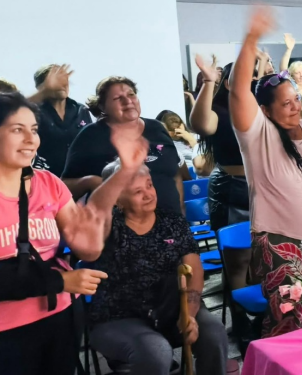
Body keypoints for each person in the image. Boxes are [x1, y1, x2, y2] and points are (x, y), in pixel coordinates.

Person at [0, 91, 144, 375]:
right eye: (18, 130)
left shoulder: (48, 183)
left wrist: (123, 173)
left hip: (59, 316)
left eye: (34, 130)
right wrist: (60, 280)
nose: (32, 140)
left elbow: (88, 248)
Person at [230, 7, 302, 337]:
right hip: (283, 247)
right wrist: (251, 38)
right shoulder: (258, 136)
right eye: (285, 103)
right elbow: (238, 92)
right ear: (265, 111)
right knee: (289, 325)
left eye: (296, 99)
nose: (295, 106)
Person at [87, 161, 227, 375]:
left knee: (214, 335)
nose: (148, 194)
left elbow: (194, 269)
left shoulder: (172, 222)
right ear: (116, 200)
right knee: (156, 352)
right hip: (119, 318)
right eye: (137, 191)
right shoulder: (107, 228)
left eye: (149, 185)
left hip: (172, 308)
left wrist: (188, 313)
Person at [62, 77, 184, 214]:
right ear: (102, 106)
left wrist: (181, 213)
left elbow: (175, 175)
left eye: (131, 94)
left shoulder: (157, 128)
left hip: (171, 224)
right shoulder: (90, 136)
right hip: (119, 228)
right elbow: (65, 186)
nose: (128, 101)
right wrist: (89, 182)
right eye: (117, 98)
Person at [190, 58, 249, 231]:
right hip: (230, 187)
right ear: (228, 85)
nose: (249, 82)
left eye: (251, 78)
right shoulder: (219, 111)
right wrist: (209, 82)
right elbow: (201, 125)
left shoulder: (259, 112)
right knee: (236, 252)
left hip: (259, 186)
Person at [26, 64, 92, 177]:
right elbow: (9, 111)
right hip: (44, 177)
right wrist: (44, 91)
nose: (62, 84)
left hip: (79, 177)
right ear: (41, 86)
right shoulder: (32, 111)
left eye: (64, 79)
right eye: (56, 80)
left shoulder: (81, 110)